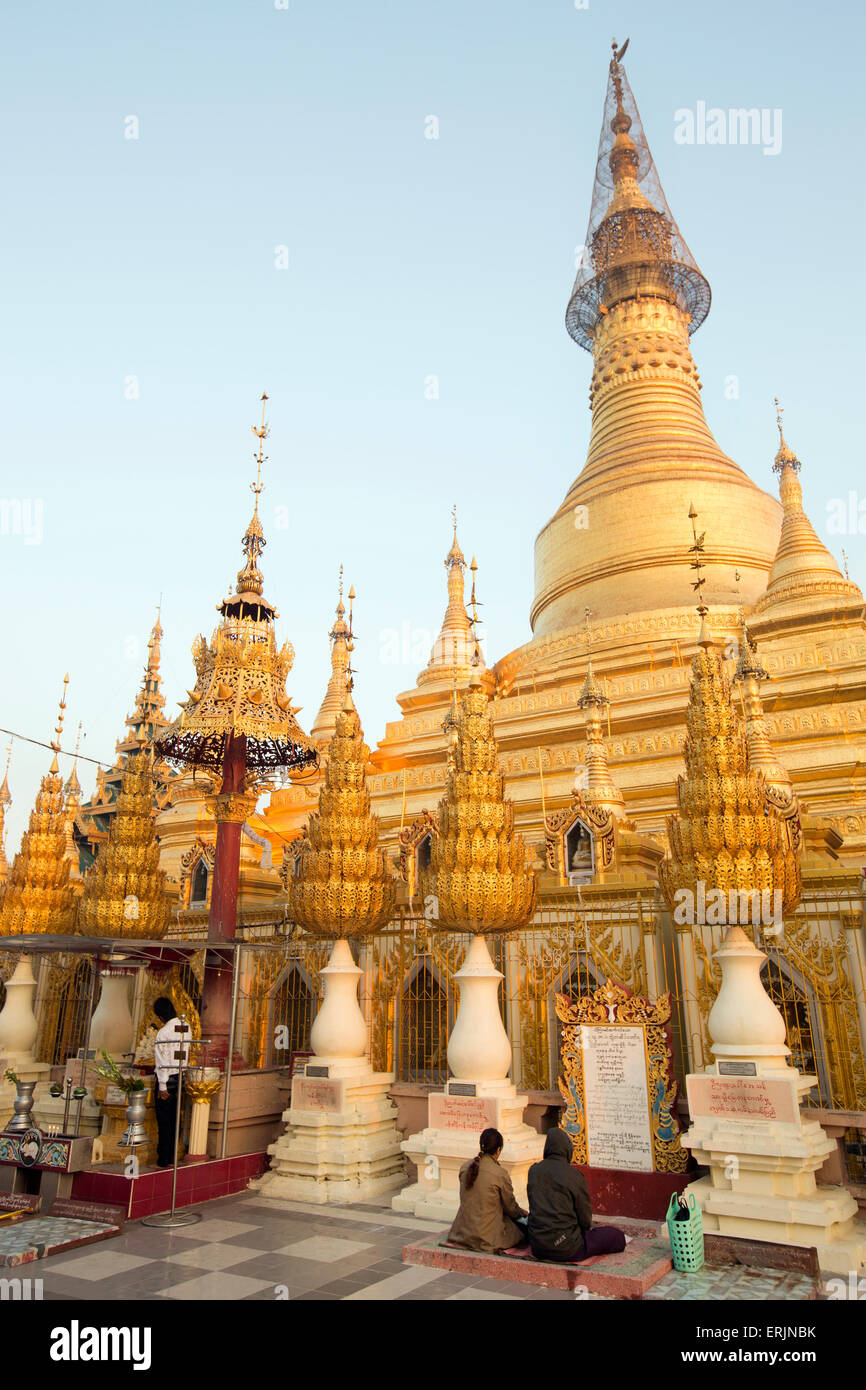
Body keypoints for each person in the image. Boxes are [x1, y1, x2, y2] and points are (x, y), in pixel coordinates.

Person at [527, 1126, 627, 1262]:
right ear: (567, 1150)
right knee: (617, 1236)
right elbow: (585, 1218)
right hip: (567, 1247)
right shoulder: (574, 1175)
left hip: (538, 1247)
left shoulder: (534, 1171)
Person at [447, 1128, 528, 1255]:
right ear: (498, 1150)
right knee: (522, 1228)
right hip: (487, 1238)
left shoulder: (465, 1167)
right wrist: (522, 1213)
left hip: (462, 1233)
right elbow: (511, 1208)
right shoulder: (500, 1174)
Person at [152, 997, 190, 1168]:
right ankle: (174, 1155)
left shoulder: (164, 1032)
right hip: (180, 1076)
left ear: (160, 1016)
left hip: (167, 1079)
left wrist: (162, 1085)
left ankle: (163, 1159)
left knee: (164, 1119)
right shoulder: (185, 1028)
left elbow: (161, 1061)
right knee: (175, 1118)